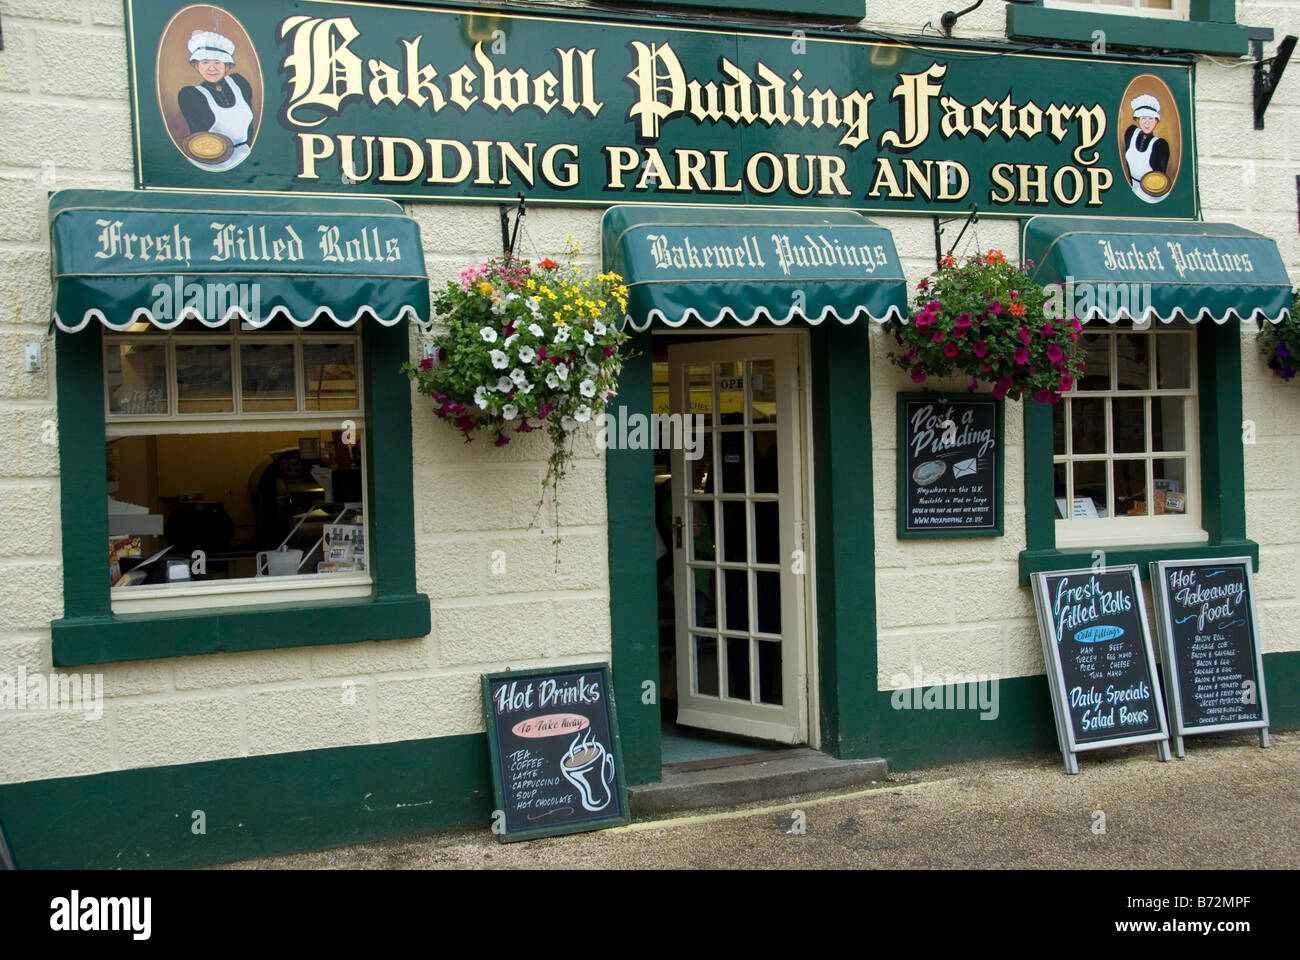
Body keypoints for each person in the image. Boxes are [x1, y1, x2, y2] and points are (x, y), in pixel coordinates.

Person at [177, 29, 254, 171]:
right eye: (205, 62)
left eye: (217, 62)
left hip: (246, 158)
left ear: (226, 65)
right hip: (212, 165)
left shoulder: (239, 83)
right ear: (197, 65)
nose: (211, 68)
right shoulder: (192, 95)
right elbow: (198, 137)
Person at [1123, 93, 1170, 204]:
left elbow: (1160, 177)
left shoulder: (1160, 145)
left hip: (1152, 196)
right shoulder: (1131, 133)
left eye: (1151, 118)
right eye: (1143, 118)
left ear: (1156, 121)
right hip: (1133, 189)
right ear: (1138, 119)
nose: (1147, 122)